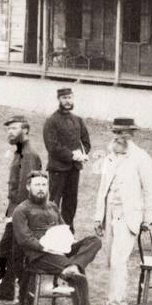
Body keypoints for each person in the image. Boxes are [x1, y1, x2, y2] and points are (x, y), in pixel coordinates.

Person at [11, 171, 103, 305]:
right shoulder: (21, 210)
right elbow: (24, 239)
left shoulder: (52, 206)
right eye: (37, 185)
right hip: (38, 255)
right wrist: (45, 247)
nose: (41, 189)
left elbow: (63, 228)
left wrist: (71, 241)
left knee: (94, 241)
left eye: (44, 185)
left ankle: (74, 265)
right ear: (28, 187)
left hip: (60, 250)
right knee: (78, 276)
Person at [91, 117, 152, 305]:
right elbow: (103, 188)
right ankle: (119, 301)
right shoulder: (110, 156)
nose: (120, 138)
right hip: (110, 213)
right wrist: (98, 217)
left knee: (118, 260)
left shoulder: (141, 157)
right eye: (117, 133)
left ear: (132, 135)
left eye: (125, 134)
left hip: (129, 215)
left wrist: (148, 218)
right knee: (112, 261)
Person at [0, 115, 43, 304]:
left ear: (26, 130)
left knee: (18, 253)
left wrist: (16, 216)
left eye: (14, 128)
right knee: (4, 250)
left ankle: (25, 297)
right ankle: (5, 290)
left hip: (22, 213)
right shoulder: (20, 152)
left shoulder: (28, 154)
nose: (10, 132)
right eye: (8, 129)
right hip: (14, 211)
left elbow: (25, 188)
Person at [43, 86, 92, 231]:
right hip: (58, 169)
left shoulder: (77, 120)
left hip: (74, 169)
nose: (67, 101)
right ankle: (52, 231)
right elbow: (52, 146)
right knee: (54, 203)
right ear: (59, 99)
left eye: (70, 97)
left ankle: (69, 232)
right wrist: (72, 155)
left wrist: (82, 154)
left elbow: (86, 143)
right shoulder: (51, 121)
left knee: (71, 203)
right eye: (64, 98)